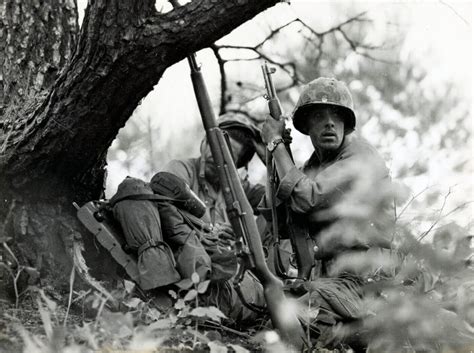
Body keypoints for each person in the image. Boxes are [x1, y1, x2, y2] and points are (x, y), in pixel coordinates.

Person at [261, 77, 394, 347]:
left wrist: (276, 145)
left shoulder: (359, 155)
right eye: (320, 116)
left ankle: (361, 333)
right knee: (275, 314)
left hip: (365, 280)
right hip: (334, 279)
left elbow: (306, 199)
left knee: (301, 319)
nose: (330, 123)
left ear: (347, 124)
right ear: (306, 127)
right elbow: (283, 218)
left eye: (337, 116)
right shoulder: (316, 165)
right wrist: (277, 156)